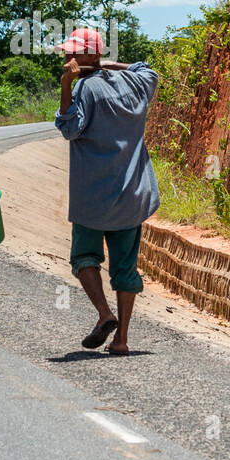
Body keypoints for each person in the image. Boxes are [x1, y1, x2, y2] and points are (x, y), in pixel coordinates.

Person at [53, 27, 160, 356]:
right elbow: (149, 71)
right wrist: (110, 65)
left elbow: (69, 127)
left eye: (74, 53)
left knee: (84, 258)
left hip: (93, 198)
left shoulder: (84, 88)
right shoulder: (135, 84)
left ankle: (104, 314)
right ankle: (122, 339)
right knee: (125, 267)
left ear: (88, 56)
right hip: (131, 195)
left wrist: (67, 84)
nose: (69, 58)